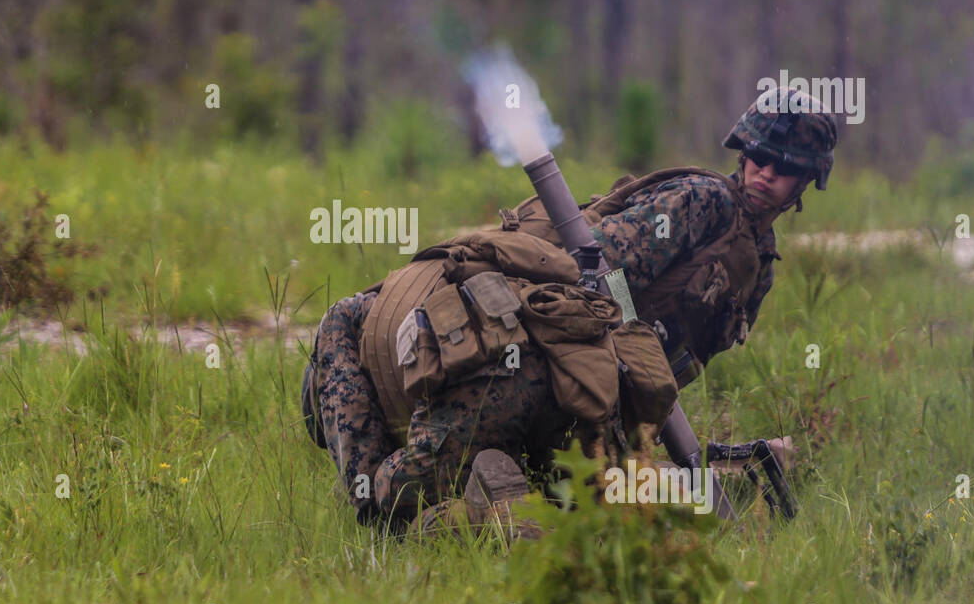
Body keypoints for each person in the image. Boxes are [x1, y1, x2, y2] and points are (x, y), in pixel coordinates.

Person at [301, 86, 839, 536]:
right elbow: (595, 265)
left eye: (785, 166)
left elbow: (639, 331)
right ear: (742, 154)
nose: (767, 173)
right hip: (560, 376)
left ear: (806, 180)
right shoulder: (705, 202)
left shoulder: (755, 262)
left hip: (570, 386)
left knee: (394, 502)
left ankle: (490, 517)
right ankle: (487, 511)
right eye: (759, 157)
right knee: (406, 498)